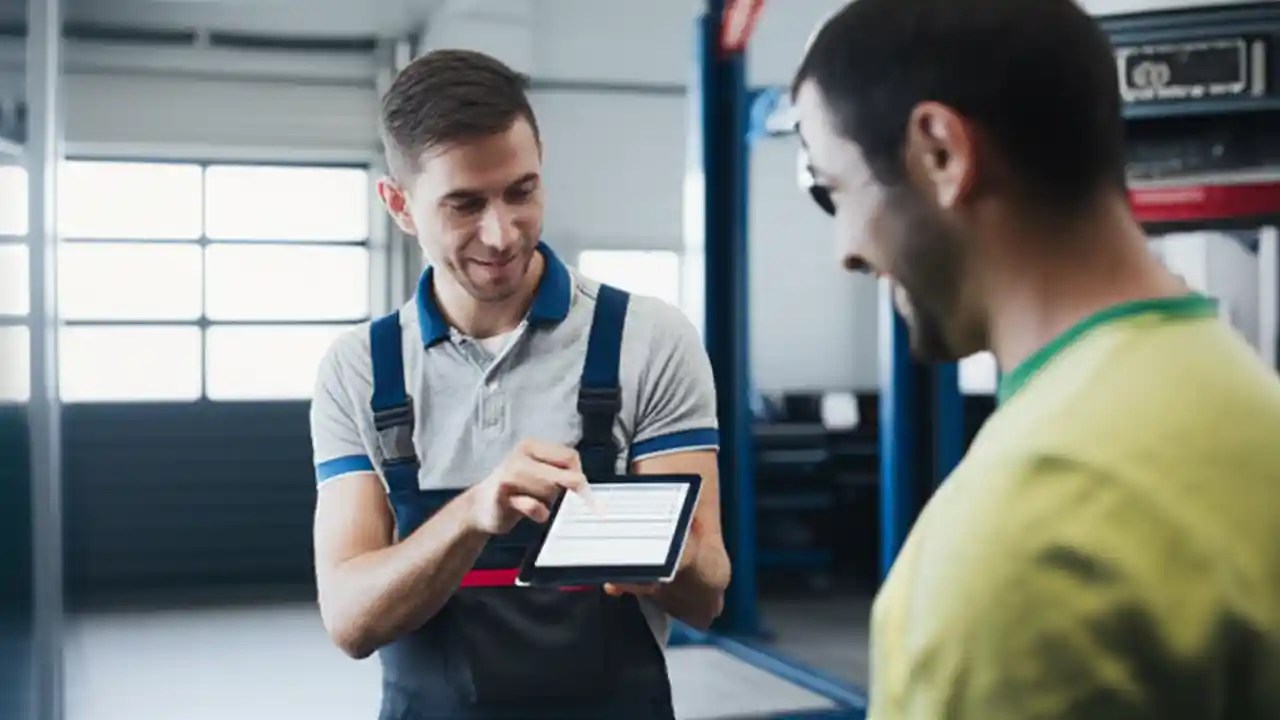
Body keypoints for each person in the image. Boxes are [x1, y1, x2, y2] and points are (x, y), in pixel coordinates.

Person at [791, 0, 1280, 717]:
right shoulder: (1247, 400)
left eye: (837, 193)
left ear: (941, 154)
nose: (847, 253)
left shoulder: (1020, 536)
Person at [308, 48, 730, 720]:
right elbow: (350, 619)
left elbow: (708, 595)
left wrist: (644, 548)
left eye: (520, 191)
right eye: (464, 204)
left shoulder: (649, 340)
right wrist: (473, 517)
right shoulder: (360, 369)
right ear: (400, 205)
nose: (501, 234)